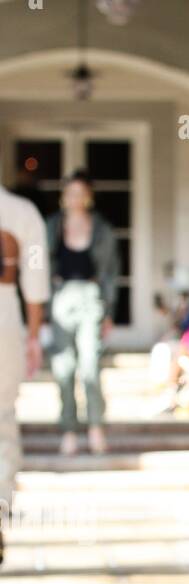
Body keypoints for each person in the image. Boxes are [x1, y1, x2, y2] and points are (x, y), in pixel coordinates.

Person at [45, 170, 119, 456]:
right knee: (64, 366)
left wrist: (109, 310)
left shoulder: (102, 229)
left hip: (91, 297)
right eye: (70, 192)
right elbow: (38, 261)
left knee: (90, 364)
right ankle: (68, 428)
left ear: (88, 197)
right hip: (61, 297)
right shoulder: (52, 226)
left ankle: (96, 426)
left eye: (80, 193)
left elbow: (111, 272)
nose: (75, 198)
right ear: (64, 196)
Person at [0, 179, 50, 563]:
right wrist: (33, 336)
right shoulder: (23, 213)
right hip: (5, 321)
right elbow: (35, 281)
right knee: (2, 421)